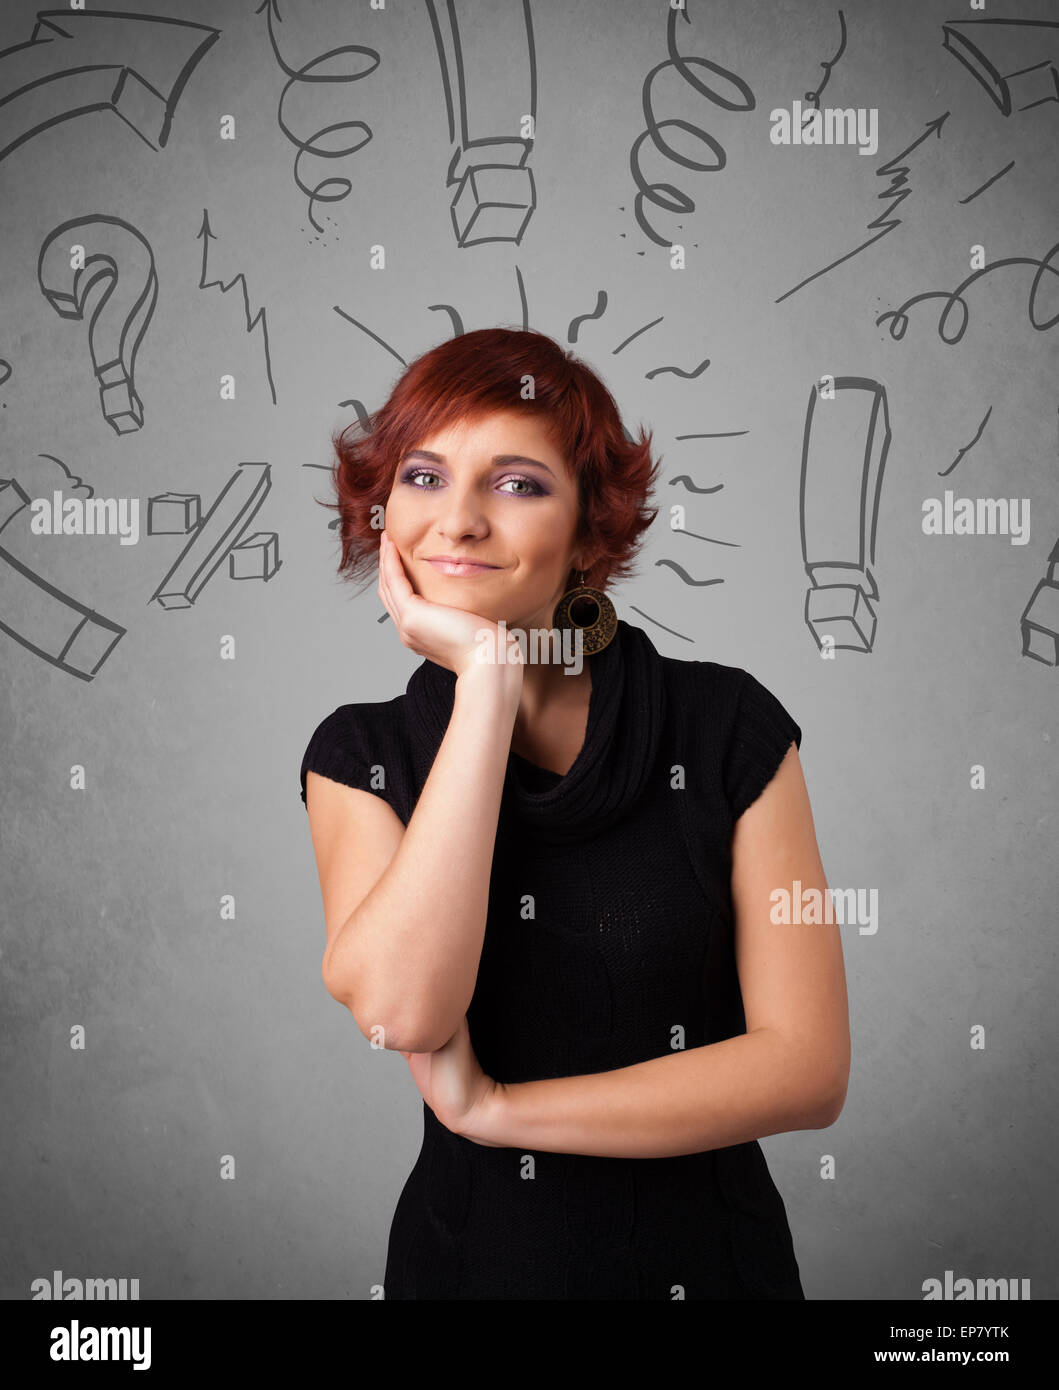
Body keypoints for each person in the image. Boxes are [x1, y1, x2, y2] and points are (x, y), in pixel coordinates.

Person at [299, 326, 850, 1299]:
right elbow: (401, 1009)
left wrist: (502, 1110)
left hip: (715, 1272)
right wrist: (485, 686)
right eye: (424, 477)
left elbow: (807, 1069)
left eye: (516, 484)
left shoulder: (729, 727)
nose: (458, 521)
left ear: (592, 529)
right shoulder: (359, 756)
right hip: (476, 1269)